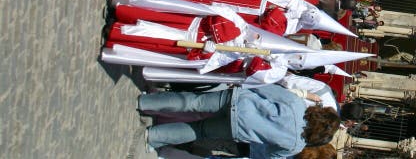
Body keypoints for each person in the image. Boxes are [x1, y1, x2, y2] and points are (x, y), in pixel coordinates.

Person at [140, 84, 340, 156]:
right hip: (238, 129)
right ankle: (154, 136)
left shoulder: (297, 104)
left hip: (238, 102)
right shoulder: (296, 146)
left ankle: (145, 102)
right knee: (198, 131)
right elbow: (269, 154)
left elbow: (267, 90)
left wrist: (243, 87)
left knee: (193, 102)